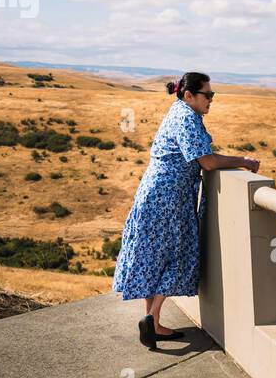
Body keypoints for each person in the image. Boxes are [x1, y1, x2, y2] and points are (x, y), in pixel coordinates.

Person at [111, 72, 259, 348]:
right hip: (169, 199)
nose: (211, 100)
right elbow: (208, 161)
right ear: (188, 95)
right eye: (208, 95)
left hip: (154, 195)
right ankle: (152, 317)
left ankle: (152, 324)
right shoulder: (187, 119)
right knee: (176, 257)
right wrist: (244, 161)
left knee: (155, 257)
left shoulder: (178, 111)